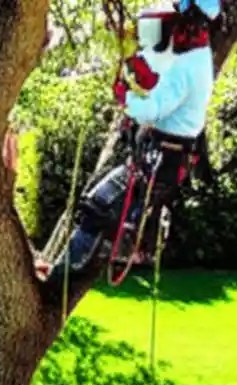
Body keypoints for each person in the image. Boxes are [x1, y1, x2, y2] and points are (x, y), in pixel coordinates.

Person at [36, 0, 218, 282]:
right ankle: (65, 268)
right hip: (158, 156)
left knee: (98, 207)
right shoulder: (194, 56)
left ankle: (62, 276)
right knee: (100, 209)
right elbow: (159, 70)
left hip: (161, 159)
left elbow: (152, 109)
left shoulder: (188, 66)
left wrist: (127, 98)